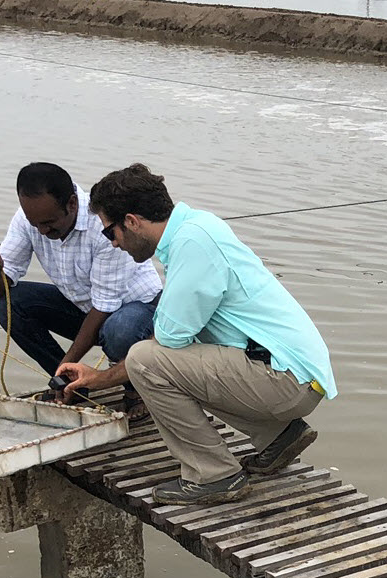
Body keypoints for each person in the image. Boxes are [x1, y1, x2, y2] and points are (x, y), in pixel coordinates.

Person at [54, 163, 336, 505]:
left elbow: (166, 342)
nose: (112, 244)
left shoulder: (193, 244)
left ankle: (215, 475)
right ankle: (278, 435)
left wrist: (100, 379)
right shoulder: (196, 227)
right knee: (181, 357)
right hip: (292, 375)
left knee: (145, 360)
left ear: (131, 221)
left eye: (109, 233)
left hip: (286, 381)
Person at [0, 162, 163, 412]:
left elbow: (105, 305)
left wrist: (65, 366)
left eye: (49, 222)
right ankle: (72, 385)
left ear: (72, 204)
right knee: (6, 303)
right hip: (85, 307)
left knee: (120, 328)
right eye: (36, 224)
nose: (42, 230)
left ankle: (135, 388)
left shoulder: (104, 224)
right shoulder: (29, 219)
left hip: (135, 312)